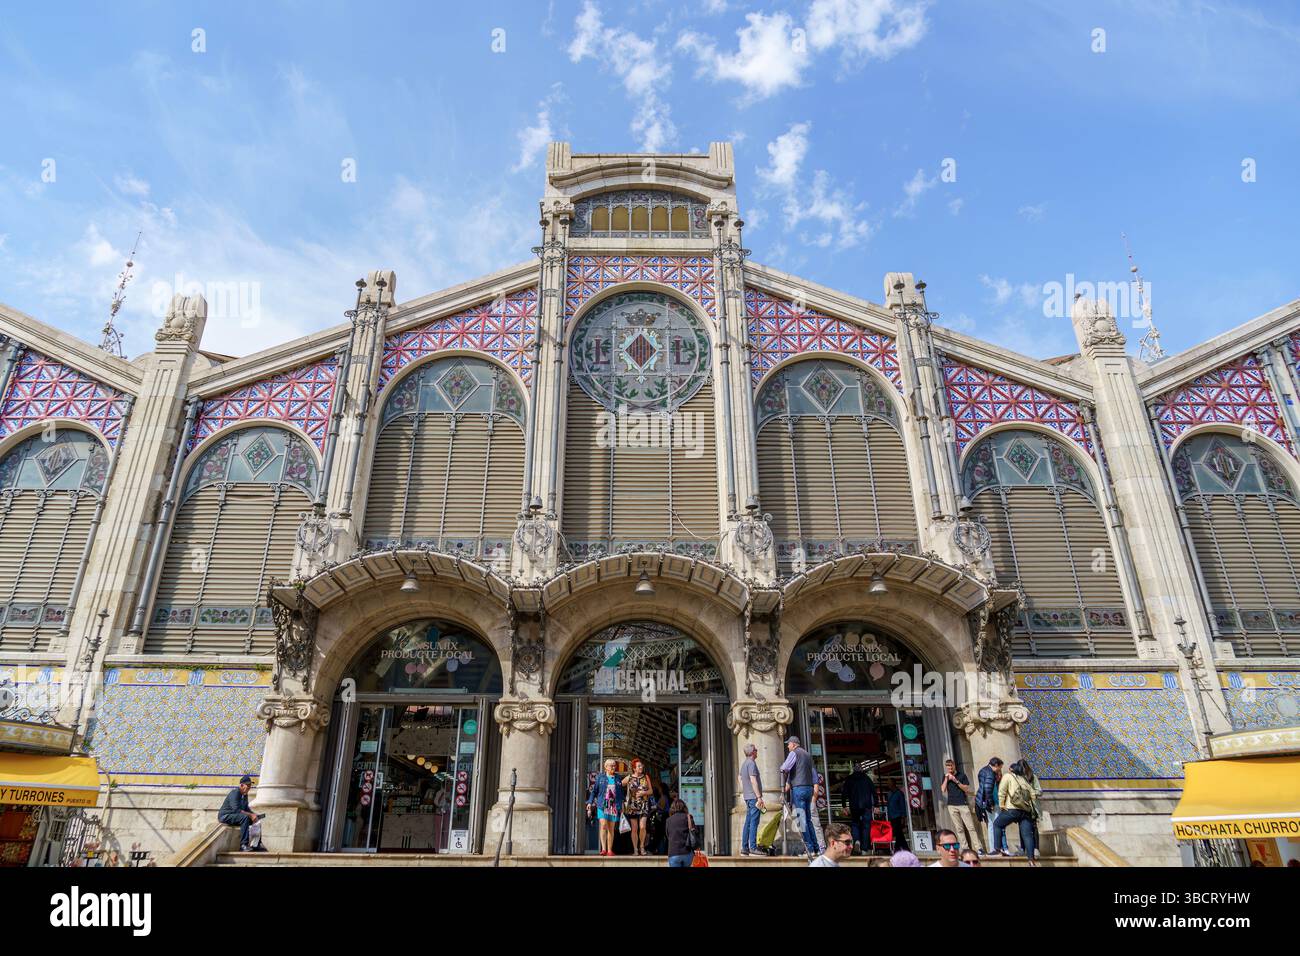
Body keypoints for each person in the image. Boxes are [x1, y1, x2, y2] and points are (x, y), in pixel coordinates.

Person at [991, 759, 1042, 864]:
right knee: (1027, 835)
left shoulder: (1008, 776)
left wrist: (1002, 805)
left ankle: (997, 849)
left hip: (1013, 809)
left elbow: (1002, 791)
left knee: (997, 824)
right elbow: (1032, 795)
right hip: (1026, 811)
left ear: (1011, 769)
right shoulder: (1024, 780)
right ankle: (1031, 860)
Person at [779, 735, 821, 859]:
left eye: (788, 744)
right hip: (808, 789)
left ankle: (809, 849)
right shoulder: (807, 754)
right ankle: (816, 848)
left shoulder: (794, 753)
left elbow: (784, 767)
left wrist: (782, 772)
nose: (787, 746)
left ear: (793, 744)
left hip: (799, 789)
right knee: (808, 819)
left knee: (801, 820)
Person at [940, 758, 980, 857]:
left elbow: (966, 789)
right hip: (951, 805)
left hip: (962, 804)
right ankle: (965, 848)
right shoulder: (945, 777)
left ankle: (978, 848)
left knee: (970, 827)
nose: (949, 768)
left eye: (951, 765)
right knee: (959, 829)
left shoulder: (962, 775)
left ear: (954, 765)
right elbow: (943, 789)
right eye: (948, 766)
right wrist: (946, 779)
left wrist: (955, 780)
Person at [586, 758, 626, 857]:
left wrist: (622, 805)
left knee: (611, 828)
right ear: (606, 767)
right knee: (603, 825)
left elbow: (621, 793)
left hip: (614, 806)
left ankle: (609, 850)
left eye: (614, 765)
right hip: (602, 805)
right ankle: (603, 849)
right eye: (611, 765)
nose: (613, 767)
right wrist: (590, 802)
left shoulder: (618, 778)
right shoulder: (600, 777)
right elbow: (594, 791)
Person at [218, 775, 262, 851]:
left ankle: (255, 844)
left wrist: (254, 815)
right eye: (247, 785)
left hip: (236, 816)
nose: (249, 787)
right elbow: (236, 809)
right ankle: (243, 845)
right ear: (241, 785)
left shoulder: (244, 795)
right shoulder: (235, 793)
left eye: (250, 785)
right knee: (245, 818)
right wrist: (250, 815)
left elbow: (246, 809)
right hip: (225, 816)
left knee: (257, 820)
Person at [840, 760, 876, 854]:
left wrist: (844, 806)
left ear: (853, 769)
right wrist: (876, 805)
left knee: (855, 824)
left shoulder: (849, 779)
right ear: (861, 768)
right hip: (866, 806)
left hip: (854, 806)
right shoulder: (866, 778)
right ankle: (864, 848)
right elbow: (873, 791)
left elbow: (844, 793)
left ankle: (857, 841)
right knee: (866, 826)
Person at [622, 757, 654, 856]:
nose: (641, 767)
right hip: (632, 806)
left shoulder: (646, 777)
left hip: (644, 805)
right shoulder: (629, 777)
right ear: (634, 768)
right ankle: (635, 849)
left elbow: (651, 791)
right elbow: (618, 785)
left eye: (641, 765)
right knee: (634, 828)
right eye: (639, 766)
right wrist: (623, 801)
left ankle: (642, 846)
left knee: (643, 826)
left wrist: (644, 792)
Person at [738, 743, 765, 856]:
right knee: (754, 822)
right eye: (756, 750)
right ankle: (753, 848)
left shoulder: (744, 764)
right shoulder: (751, 763)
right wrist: (759, 797)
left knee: (748, 822)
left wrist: (745, 790)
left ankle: (745, 848)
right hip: (753, 798)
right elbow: (753, 780)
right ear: (752, 752)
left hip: (748, 797)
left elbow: (739, 778)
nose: (757, 751)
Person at [975, 756, 1004, 854]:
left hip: (983, 802)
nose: (1000, 769)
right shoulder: (990, 773)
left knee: (991, 825)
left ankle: (993, 848)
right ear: (996, 765)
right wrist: (991, 803)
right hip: (992, 803)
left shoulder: (982, 770)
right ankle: (997, 849)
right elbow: (987, 789)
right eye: (1000, 767)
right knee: (997, 825)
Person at [664, 798, 696, 867]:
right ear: (684, 807)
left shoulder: (668, 820)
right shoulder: (689, 818)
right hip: (687, 853)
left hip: (673, 853)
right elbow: (695, 832)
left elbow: (667, 835)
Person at [886, 782, 909, 852]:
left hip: (898, 816)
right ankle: (905, 848)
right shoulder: (889, 794)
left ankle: (898, 849)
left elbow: (902, 806)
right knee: (899, 833)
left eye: (889, 784)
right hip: (892, 817)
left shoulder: (899, 793)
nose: (888, 785)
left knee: (898, 833)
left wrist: (903, 817)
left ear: (893, 784)